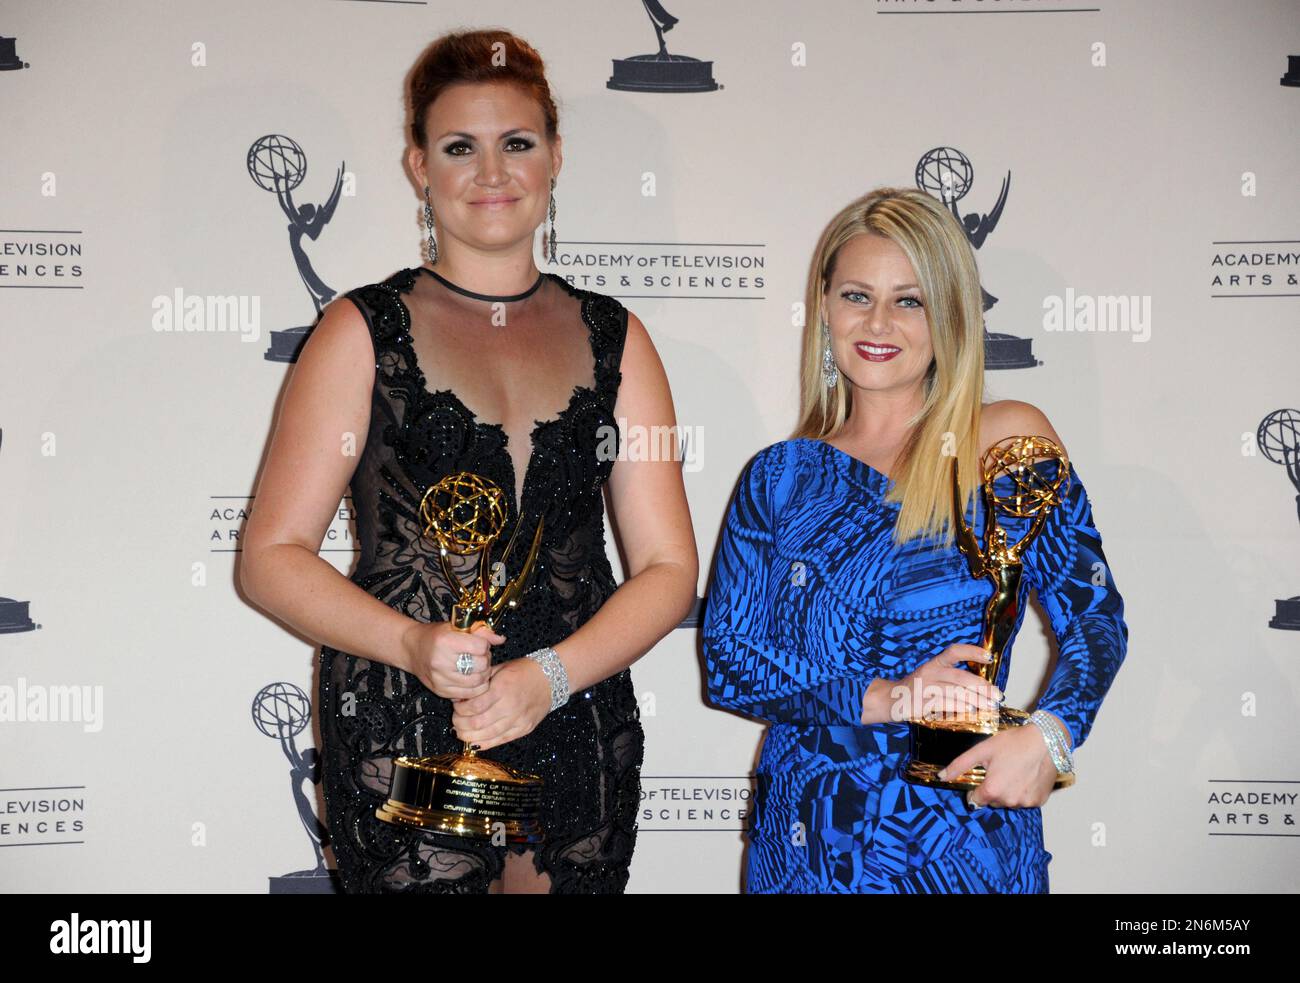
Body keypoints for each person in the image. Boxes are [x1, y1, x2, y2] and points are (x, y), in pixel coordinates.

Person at [240, 28, 697, 894]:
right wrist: (412, 641)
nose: (492, 173)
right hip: (404, 714)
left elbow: (671, 568)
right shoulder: (360, 332)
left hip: (574, 710)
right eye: (460, 147)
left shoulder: (618, 339)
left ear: (554, 157)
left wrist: (549, 677)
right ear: (419, 166)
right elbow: (270, 557)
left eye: (516, 143)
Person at [701, 187, 1128, 893]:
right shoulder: (780, 477)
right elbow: (728, 661)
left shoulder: (1005, 439)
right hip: (805, 836)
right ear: (825, 307)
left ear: (950, 315)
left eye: (910, 300)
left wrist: (1050, 736)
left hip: (958, 836)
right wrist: (889, 696)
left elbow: (1096, 615)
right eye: (856, 295)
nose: (877, 322)